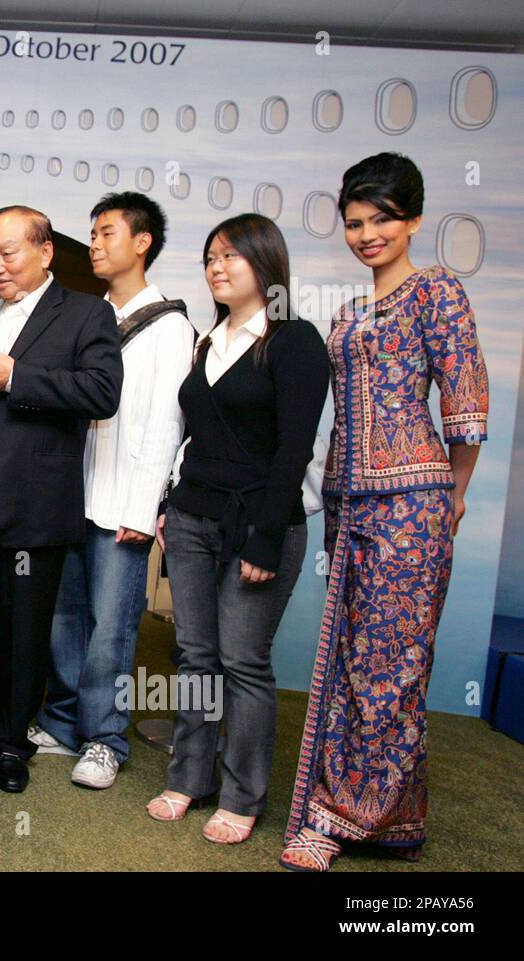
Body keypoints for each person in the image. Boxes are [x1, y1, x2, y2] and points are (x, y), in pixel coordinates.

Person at [281, 154, 489, 872]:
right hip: (350, 503)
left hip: (413, 505)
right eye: (356, 223)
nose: (367, 234)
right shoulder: (349, 312)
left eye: (383, 220)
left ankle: (340, 816)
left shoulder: (438, 293)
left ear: (414, 220)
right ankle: (393, 815)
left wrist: (453, 494)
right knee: (351, 660)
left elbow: (465, 406)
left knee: (391, 668)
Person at [147, 214, 329, 844]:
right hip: (194, 518)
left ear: (265, 263)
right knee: (196, 656)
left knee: (242, 661)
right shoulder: (206, 342)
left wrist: (268, 536)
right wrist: (170, 505)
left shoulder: (296, 341)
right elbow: (195, 436)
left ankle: (243, 795)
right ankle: (189, 777)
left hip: (260, 522)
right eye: (209, 259)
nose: (216, 268)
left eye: (230, 257)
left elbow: (293, 450)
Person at [0, 206, 123, 793]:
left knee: (23, 630)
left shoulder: (87, 313)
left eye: (8, 253)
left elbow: (101, 392)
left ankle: (10, 741)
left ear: (44, 252)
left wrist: (18, 378)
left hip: (35, 499)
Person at [30, 192, 194, 787]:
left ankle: (105, 738)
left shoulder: (170, 325)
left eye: (106, 233)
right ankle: (65, 720)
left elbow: (166, 422)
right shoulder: (85, 316)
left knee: (112, 625)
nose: (94, 244)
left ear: (142, 242)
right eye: (92, 234)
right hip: (72, 495)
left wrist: (144, 505)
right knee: (65, 616)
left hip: (124, 500)